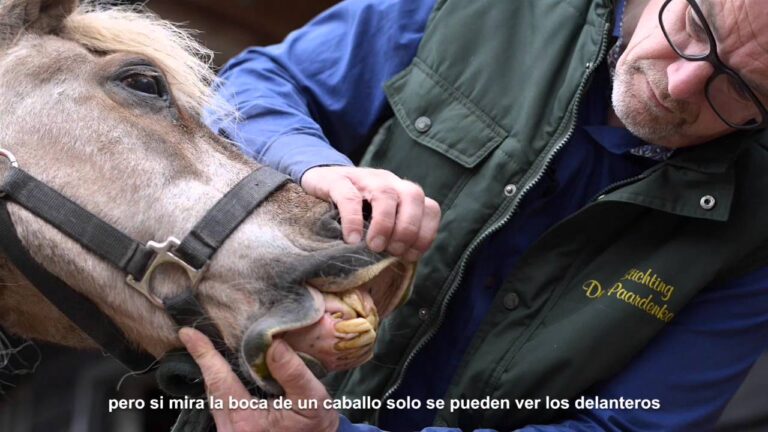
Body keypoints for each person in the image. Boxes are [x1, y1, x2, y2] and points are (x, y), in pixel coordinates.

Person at [189, 0, 768, 430]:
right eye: (696, 28)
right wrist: (314, 168)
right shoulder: (485, 9)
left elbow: (629, 427)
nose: (682, 81)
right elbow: (258, 86)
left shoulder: (755, 228)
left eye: (741, 87)